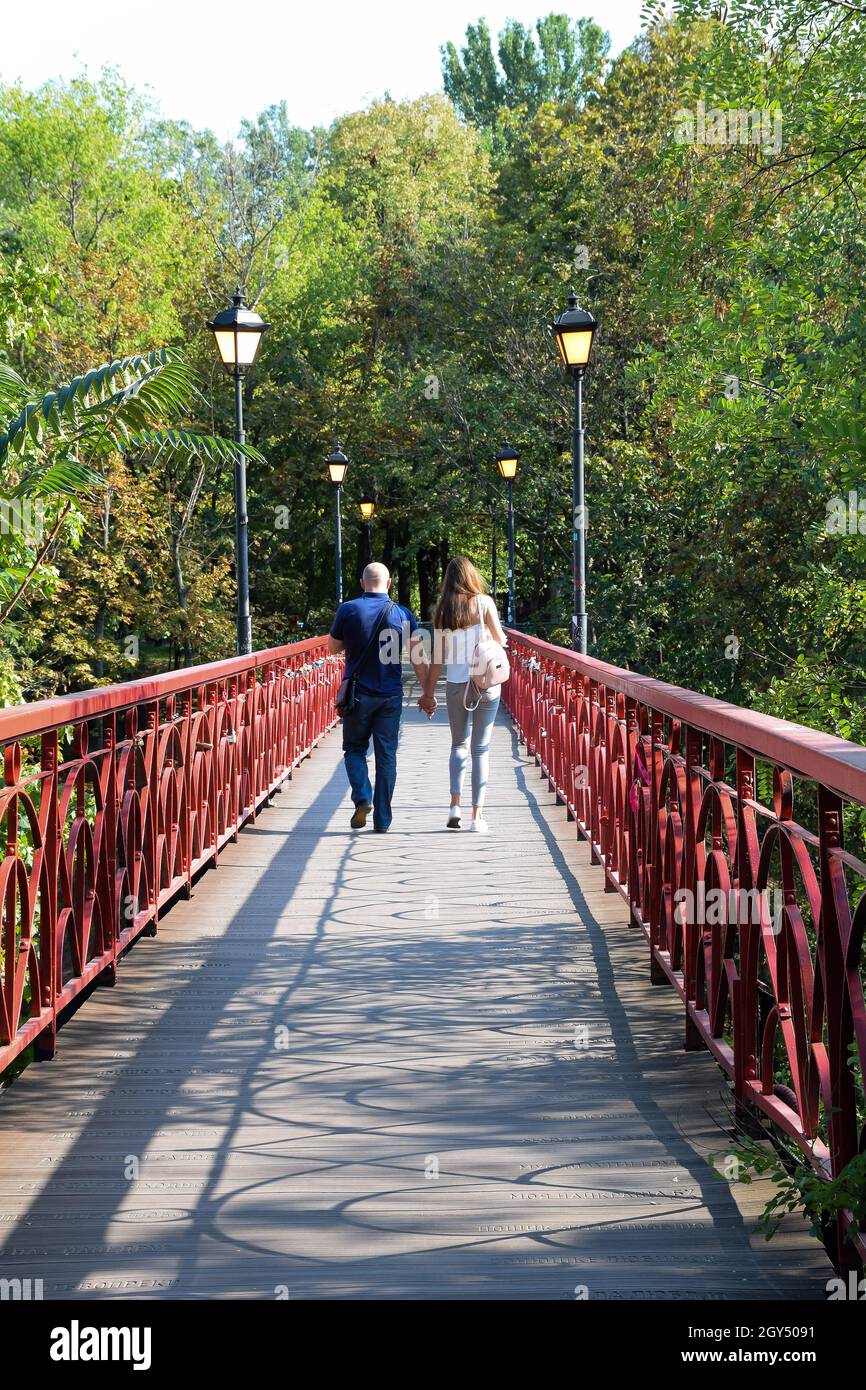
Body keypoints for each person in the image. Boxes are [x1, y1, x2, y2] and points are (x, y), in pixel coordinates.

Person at [328, 562, 430, 833]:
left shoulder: (348, 609)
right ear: (388, 584)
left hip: (358, 694)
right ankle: (382, 820)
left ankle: (363, 797)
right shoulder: (402, 613)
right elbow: (418, 657)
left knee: (354, 749)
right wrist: (427, 693)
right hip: (390, 695)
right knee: (387, 756)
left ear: (362, 583)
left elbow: (332, 647)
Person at [420, 556, 507, 834]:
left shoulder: (443, 610)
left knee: (458, 745)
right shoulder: (484, 603)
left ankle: (454, 806)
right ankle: (477, 816)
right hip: (485, 684)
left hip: (456, 685)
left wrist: (428, 694)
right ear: (472, 576)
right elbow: (501, 640)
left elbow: (437, 658)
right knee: (480, 749)